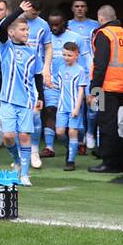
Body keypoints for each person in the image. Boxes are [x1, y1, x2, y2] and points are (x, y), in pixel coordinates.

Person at [88, 4, 123, 175]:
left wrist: (94, 91)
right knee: (119, 125)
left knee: (106, 124)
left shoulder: (104, 34)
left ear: (101, 18)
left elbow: (100, 65)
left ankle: (109, 162)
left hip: (105, 88)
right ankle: (122, 161)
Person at [0, 15, 43, 187]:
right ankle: (17, 161)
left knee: (24, 136)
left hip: (26, 101)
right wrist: (19, 11)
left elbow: (37, 76)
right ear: (11, 32)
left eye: (27, 29)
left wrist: (40, 97)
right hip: (8, 100)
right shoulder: (6, 47)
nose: (26, 33)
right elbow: (1, 28)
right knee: (9, 136)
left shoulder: (33, 52)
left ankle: (24, 174)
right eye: (23, 29)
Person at [41, 10, 82, 160]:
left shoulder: (75, 37)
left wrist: (85, 83)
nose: (53, 28)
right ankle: (49, 146)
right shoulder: (46, 37)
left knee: (75, 115)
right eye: (51, 25)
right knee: (50, 110)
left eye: (57, 25)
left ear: (64, 22)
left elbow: (84, 58)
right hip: (51, 83)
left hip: (71, 85)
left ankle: (78, 142)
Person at [67, 0, 101, 153]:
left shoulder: (95, 25)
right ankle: (80, 138)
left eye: (83, 6)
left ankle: (91, 134)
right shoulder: (67, 26)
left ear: (86, 8)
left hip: (94, 71)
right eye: (77, 6)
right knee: (77, 107)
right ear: (72, 9)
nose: (80, 8)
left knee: (95, 105)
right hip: (74, 72)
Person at [53, 41, 88, 172]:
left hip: (74, 106)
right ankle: (71, 147)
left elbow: (81, 91)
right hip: (62, 106)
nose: (66, 57)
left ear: (76, 55)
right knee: (60, 132)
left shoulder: (80, 70)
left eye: (69, 55)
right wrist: (50, 84)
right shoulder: (61, 68)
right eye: (64, 55)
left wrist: (77, 108)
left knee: (72, 132)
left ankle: (70, 161)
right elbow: (59, 85)